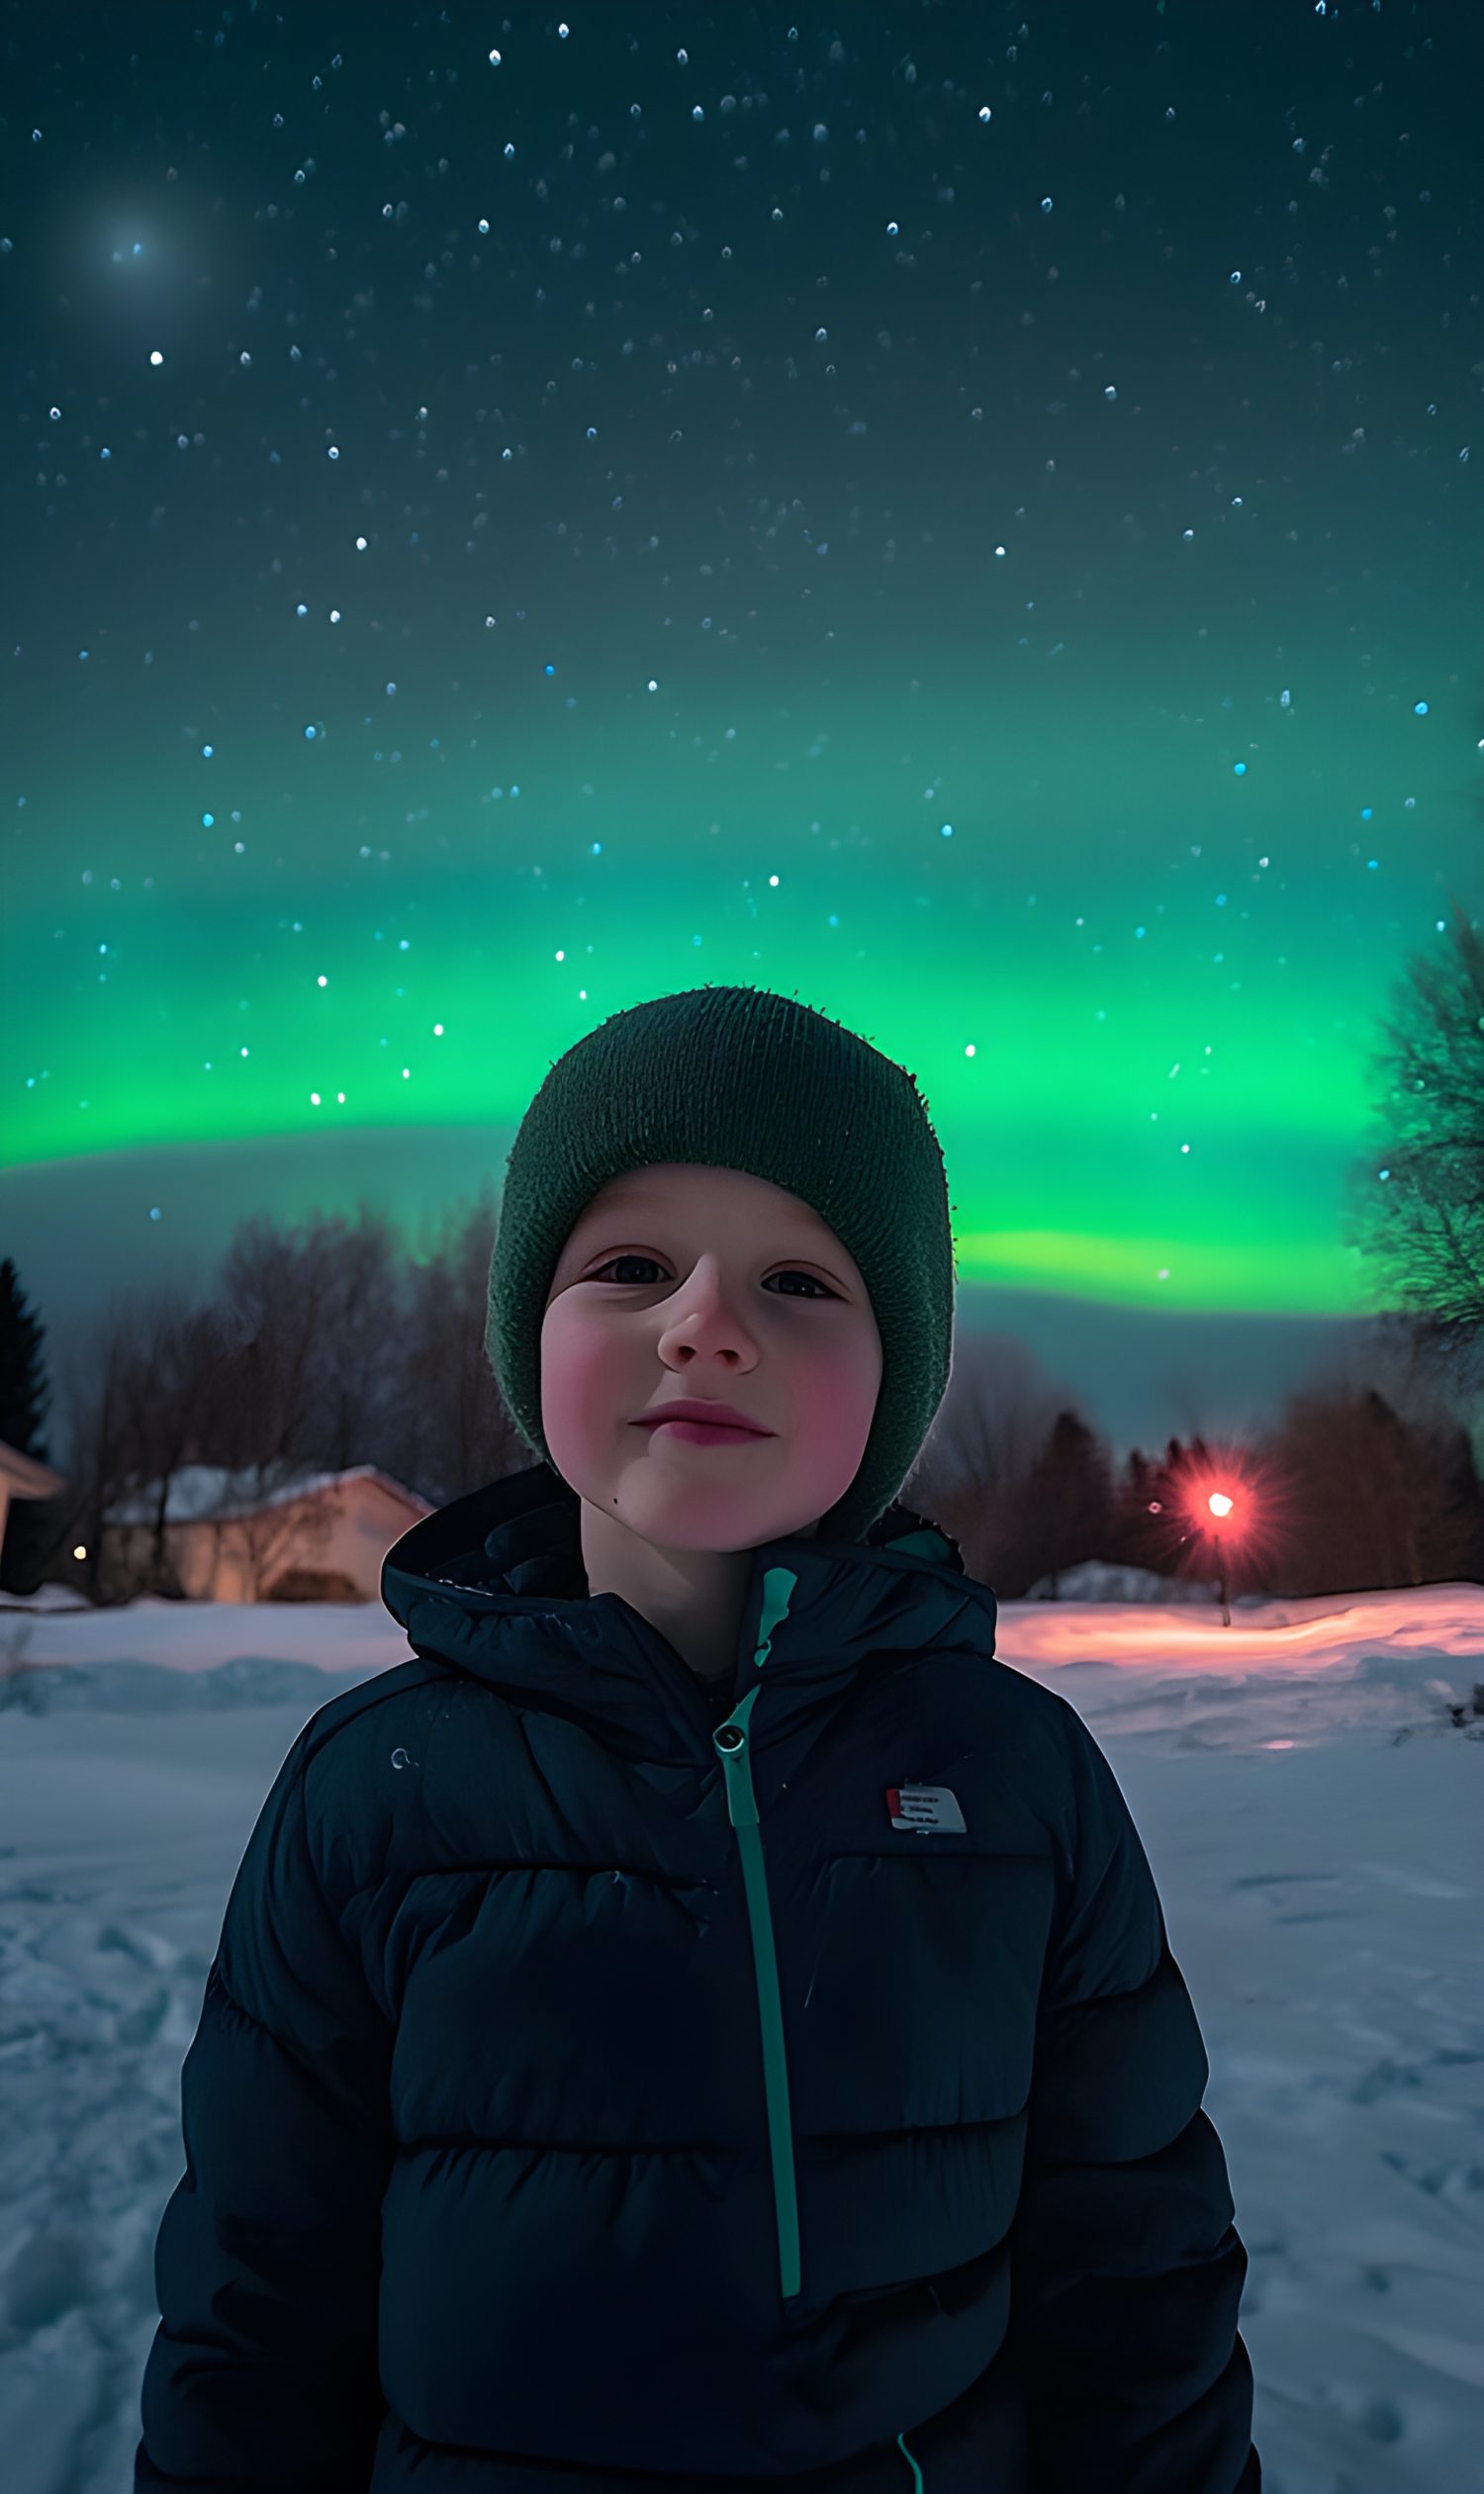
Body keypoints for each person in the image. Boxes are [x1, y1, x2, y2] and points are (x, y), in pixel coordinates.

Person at [136, 982, 1261, 2492]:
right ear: (530, 1335)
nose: (706, 1325)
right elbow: (255, 2323)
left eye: (800, 1280)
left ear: (898, 1376)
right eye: (632, 1264)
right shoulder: (371, 1794)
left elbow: (1143, 2306)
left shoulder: (1020, 1782)